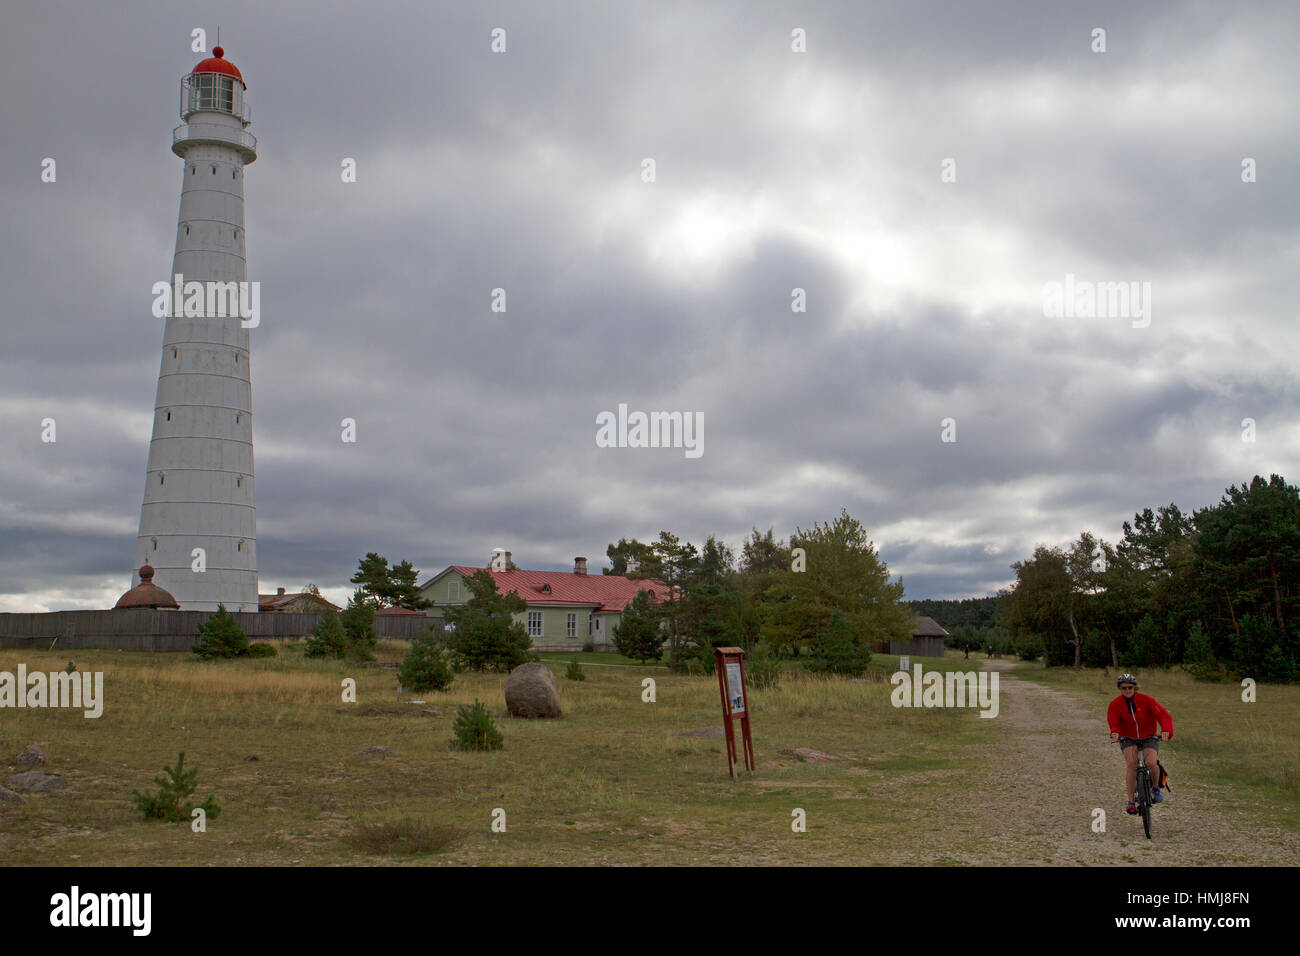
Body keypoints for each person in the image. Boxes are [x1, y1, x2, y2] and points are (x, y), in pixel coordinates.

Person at [1107, 673, 1173, 815]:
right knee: (1131, 764)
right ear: (1120, 689)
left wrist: (1166, 730)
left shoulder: (1147, 700)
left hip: (1148, 737)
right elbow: (1113, 720)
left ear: (1135, 688)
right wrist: (1115, 732)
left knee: (1151, 762)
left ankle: (1155, 787)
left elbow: (1163, 715)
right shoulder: (1115, 704)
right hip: (1128, 738)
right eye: (1124, 687)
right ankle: (1131, 802)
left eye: (1130, 687)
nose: (1127, 690)